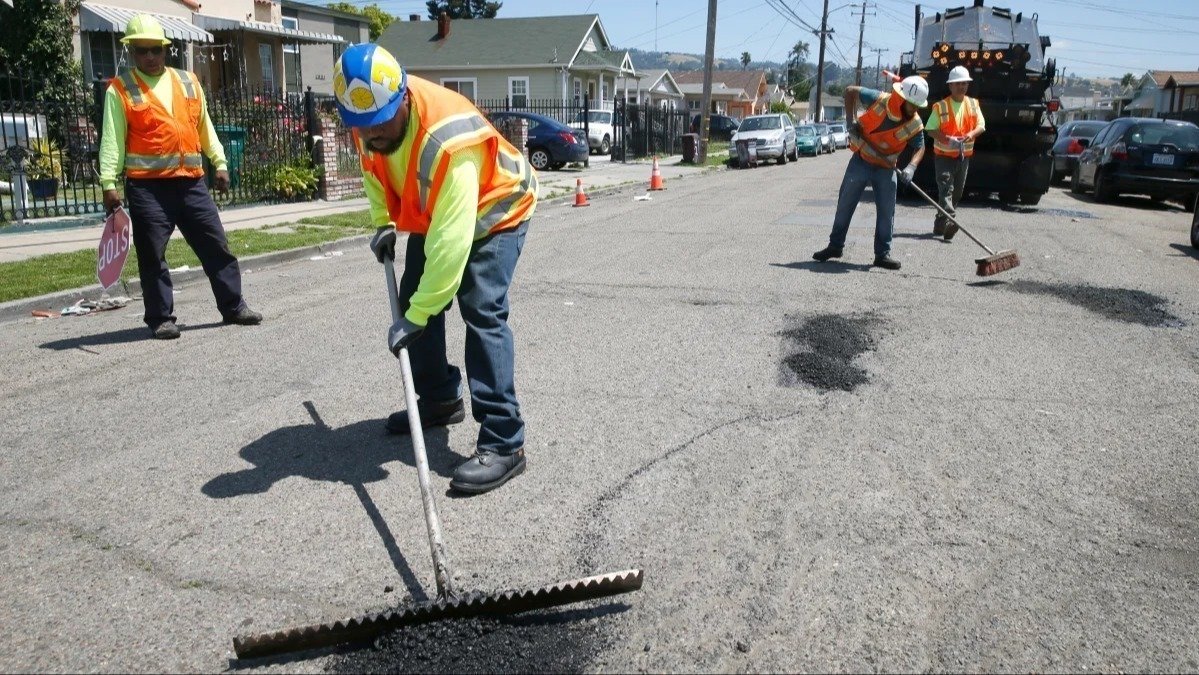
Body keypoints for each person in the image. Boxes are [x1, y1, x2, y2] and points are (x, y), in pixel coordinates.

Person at [334, 44, 538, 494]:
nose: (373, 135)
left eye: (382, 123)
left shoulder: (447, 138)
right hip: (443, 208)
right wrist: (382, 223)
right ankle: (441, 399)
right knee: (414, 297)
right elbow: (373, 170)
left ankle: (506, 442)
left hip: (498, 204)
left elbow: (450, 245)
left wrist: (418, 316)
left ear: (403, 97)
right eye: (363, 129)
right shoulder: (366, 117)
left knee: (480, 307)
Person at [99, 15, 261, 340]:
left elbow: (205, 126)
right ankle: (161, 318)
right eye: (142, 50)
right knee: (152, 254)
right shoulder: (121, 90)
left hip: (191, 183)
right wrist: (108, 183)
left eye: (155, 49)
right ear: (131, 50)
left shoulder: (188, 81)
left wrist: (220, 162)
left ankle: (233, 306)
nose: (150, 56)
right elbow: (112, 139)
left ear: (165, 49)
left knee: (216, 245)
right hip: (148, 188)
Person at [812, 76, 929, 271]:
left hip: (887, 167)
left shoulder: (915, 123)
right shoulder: (879, 99)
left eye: (918, 105)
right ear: (901, 99)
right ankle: (835, 246)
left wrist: (911, 167)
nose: (915, 109)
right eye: (912, 104)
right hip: (862, 160)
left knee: (886, 212)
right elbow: (850, 91)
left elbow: (920, 148)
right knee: (845, 204)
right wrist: (851, 122)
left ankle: (882, 254)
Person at [926, 66, 986, 240]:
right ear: (950, 86)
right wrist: (946, 139)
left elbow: (981, 126)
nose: (962, 86)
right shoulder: (940, 106)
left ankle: (940, 223)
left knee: (957, 193)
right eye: (958, 83)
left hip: (963, 157)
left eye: (965, 83)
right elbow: (930, 129)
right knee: (946, 189)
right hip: (944, 157)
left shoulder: (973, 104)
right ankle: (951, 221)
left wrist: (970, 135)